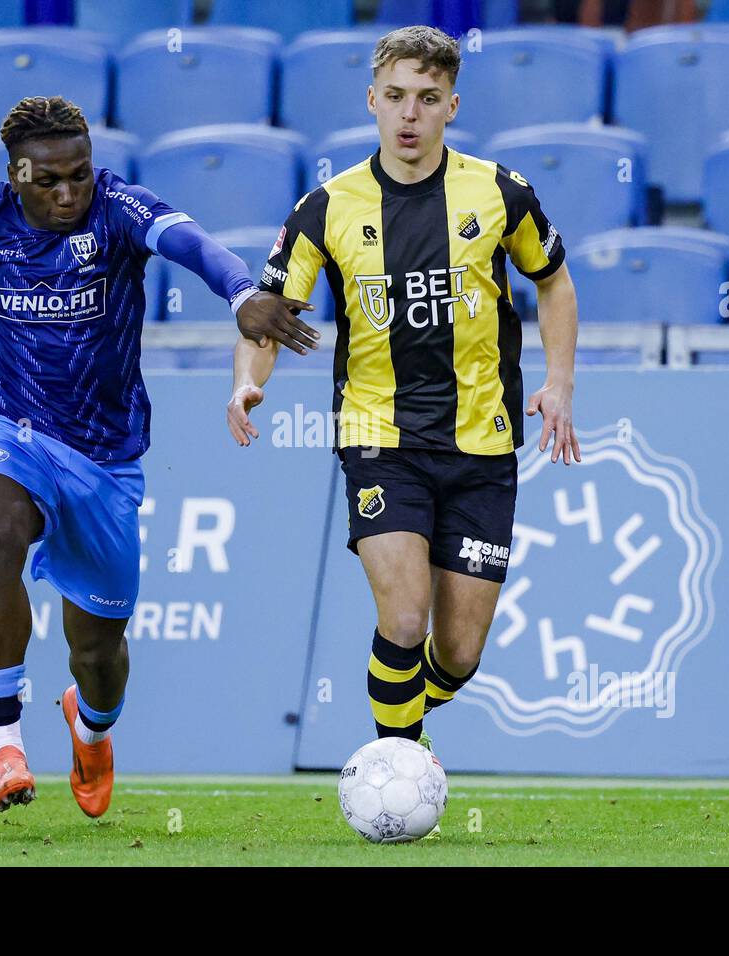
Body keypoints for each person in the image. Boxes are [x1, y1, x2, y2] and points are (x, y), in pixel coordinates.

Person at [0, 95, 316, 815]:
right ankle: (2, 746)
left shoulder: (119, 207)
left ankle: (90, 729)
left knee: (98, 656)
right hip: (10, 431)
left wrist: (242, 293)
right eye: (49, 181)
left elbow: (190, 242)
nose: (70, 193)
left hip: (105, 460)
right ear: (15, 177)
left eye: (81, 175)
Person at [228, 26, 581, 778]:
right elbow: (269, 310)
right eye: (394, 98)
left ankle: (401, 731)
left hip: (484, 444)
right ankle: (399, 771)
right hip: (379, 436)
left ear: (452, 104)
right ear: (372, 102)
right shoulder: (325, 208)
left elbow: (552, 278)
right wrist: (248, 379)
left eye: (426, 99)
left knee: (457, 654)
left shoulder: (500, 192)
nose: (409, 115)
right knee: (405, 617)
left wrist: (559, 381)